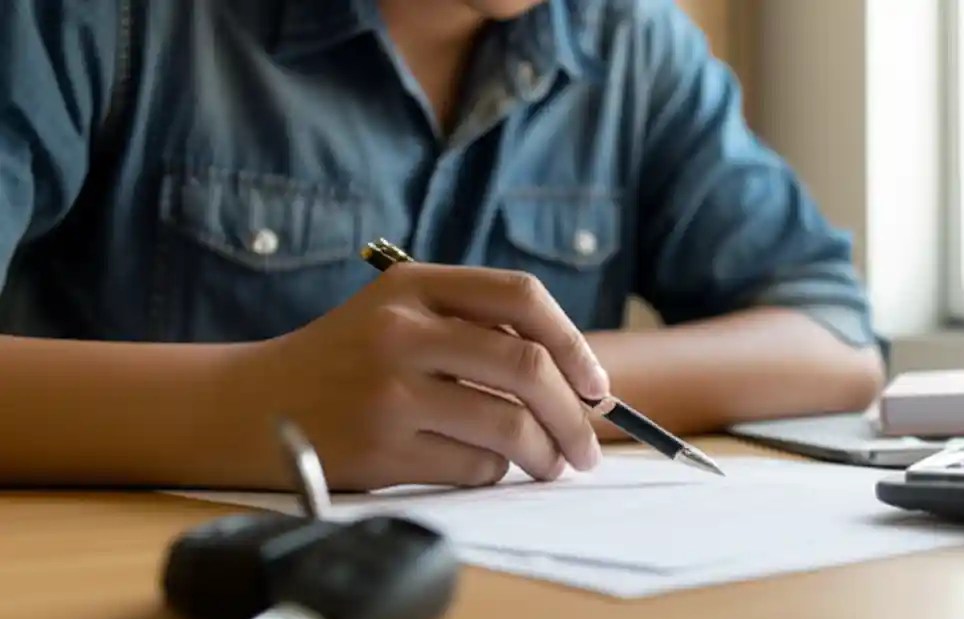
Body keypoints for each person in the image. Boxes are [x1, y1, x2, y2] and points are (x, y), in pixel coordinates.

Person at [0, 0, 884, 491]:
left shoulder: (632, 45)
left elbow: (836, 341)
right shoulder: (102, 20)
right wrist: (254, 405)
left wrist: (519, 385)